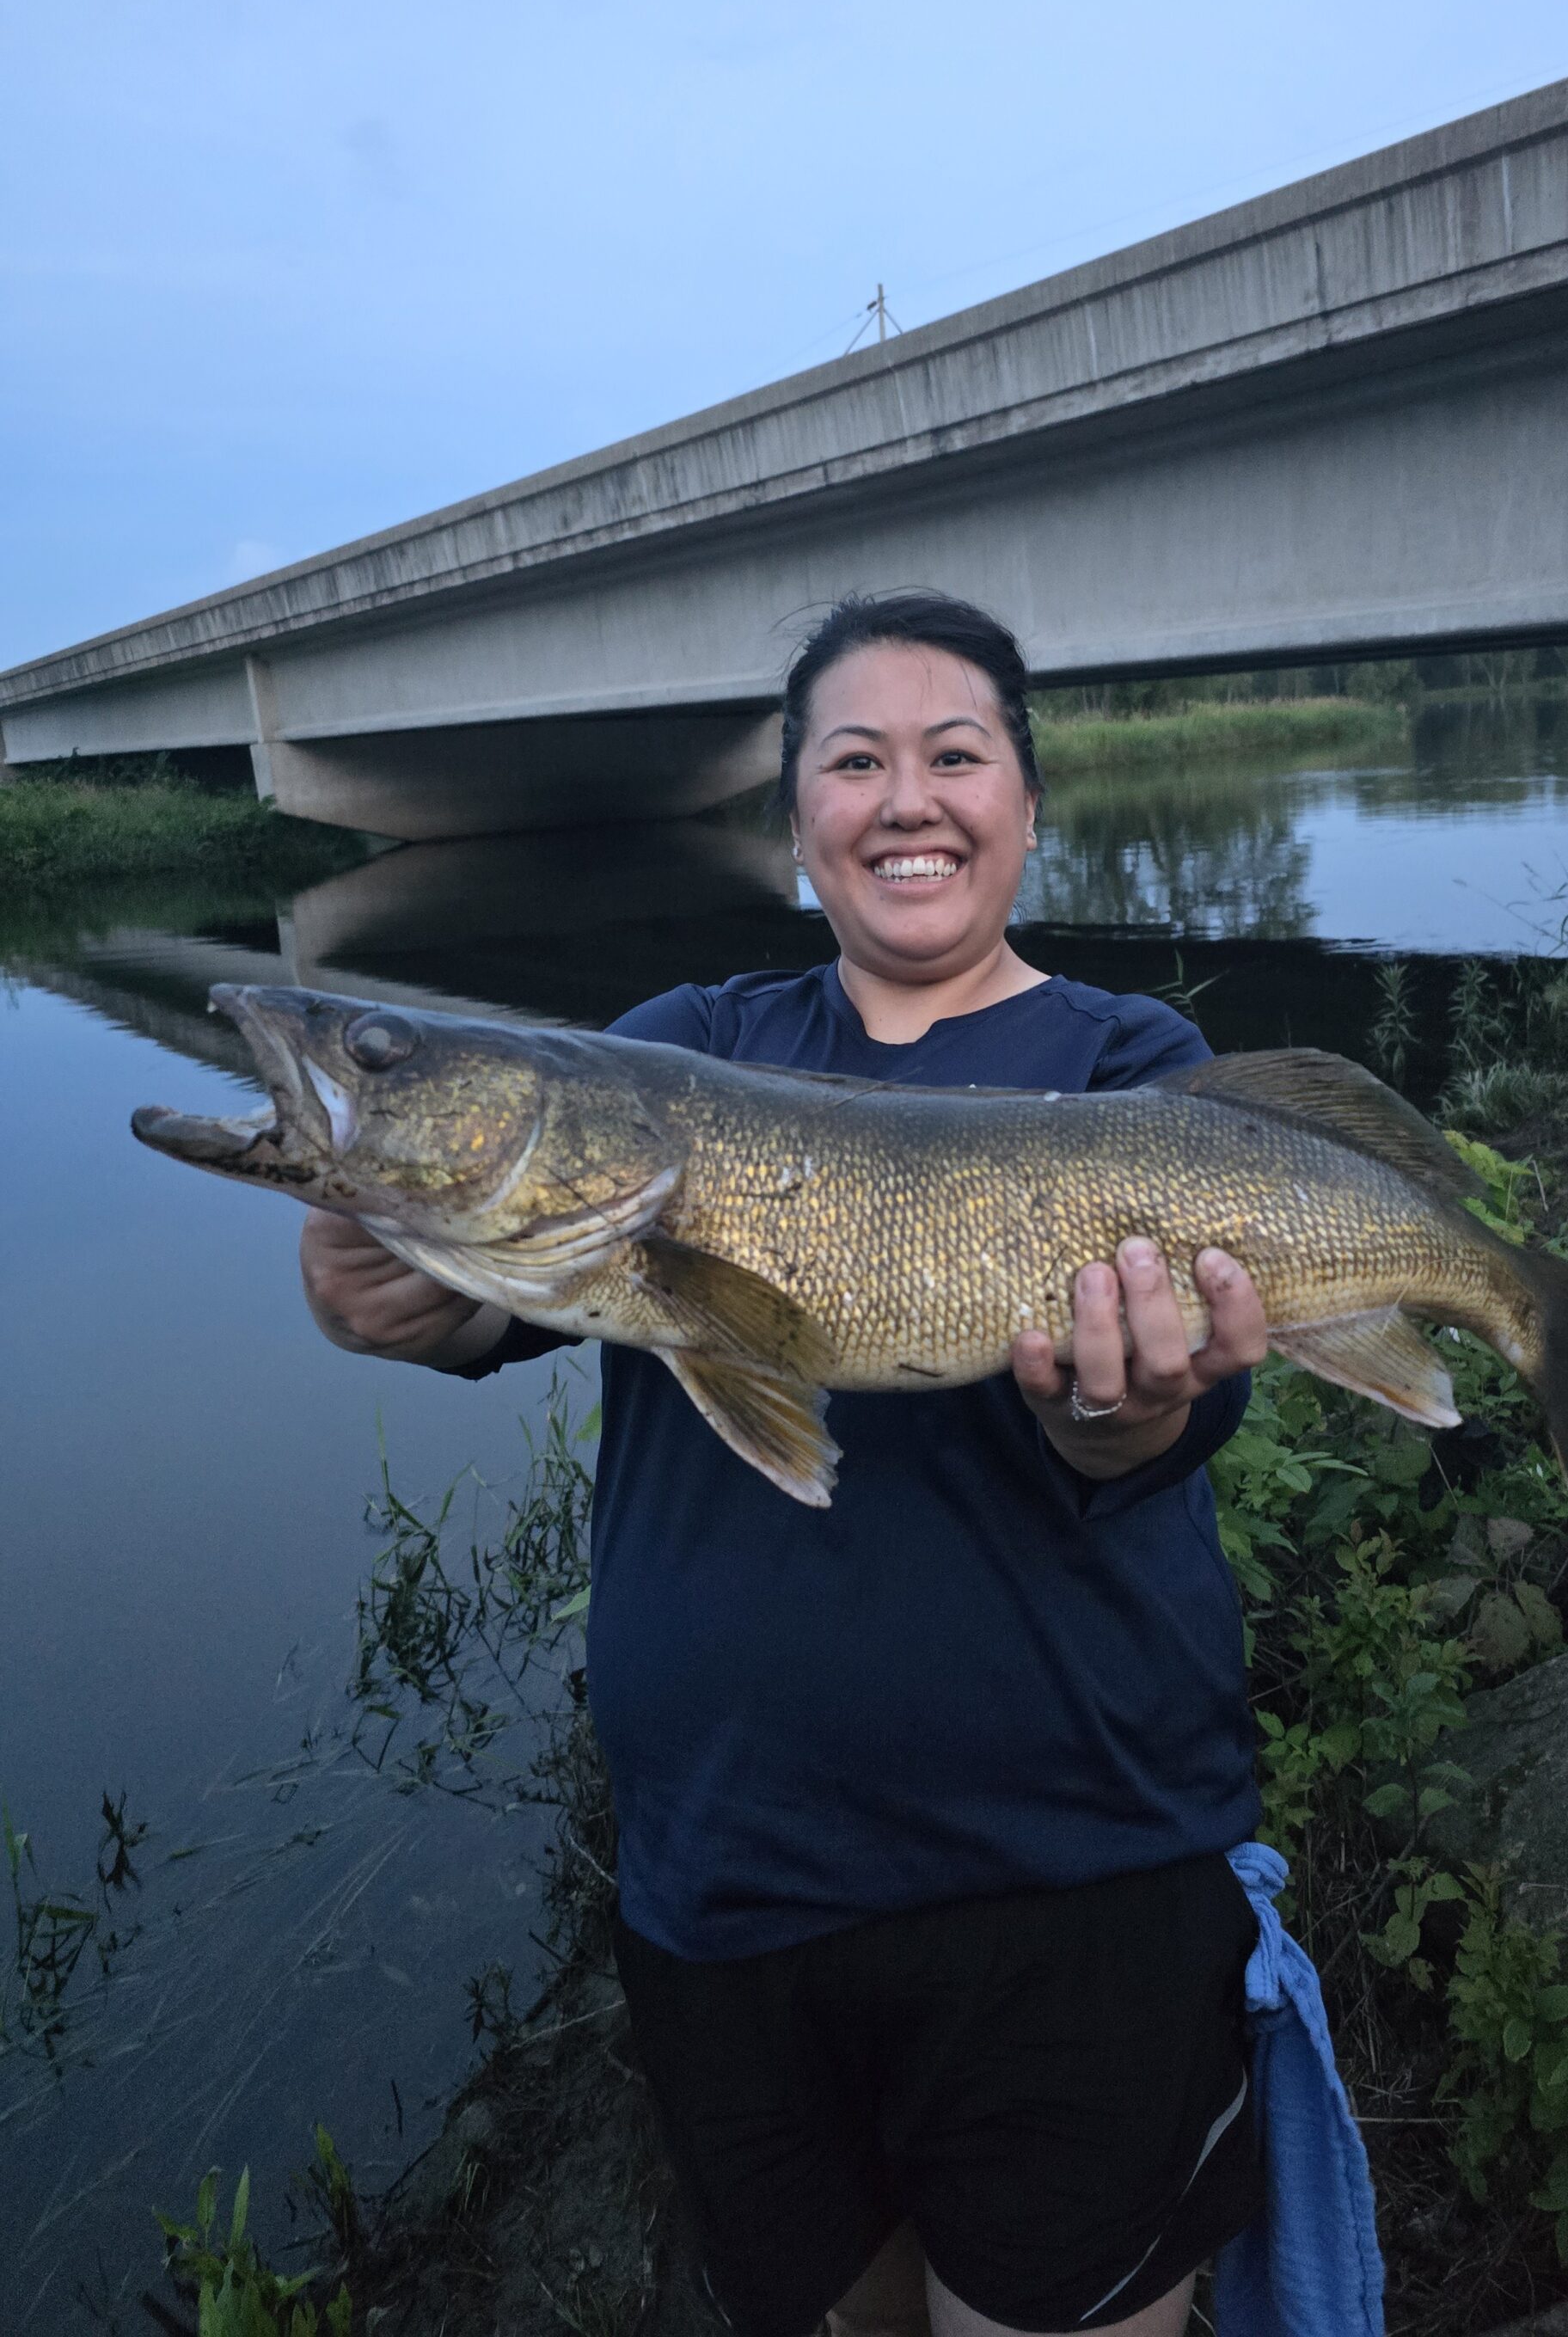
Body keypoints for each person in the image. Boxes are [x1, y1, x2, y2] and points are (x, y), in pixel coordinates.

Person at [300, 592, 1273, 2337]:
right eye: (855, 761)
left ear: (1028, 808)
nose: (909, 798)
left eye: (955, 755)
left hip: (1078, 1888)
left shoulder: (1136, 1072)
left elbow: (1172, 1419)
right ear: (797, 822)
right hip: (732, 1897)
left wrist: (1121, 1413)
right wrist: (402, 1284)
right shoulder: (682, 1051)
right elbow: (493, 1311)